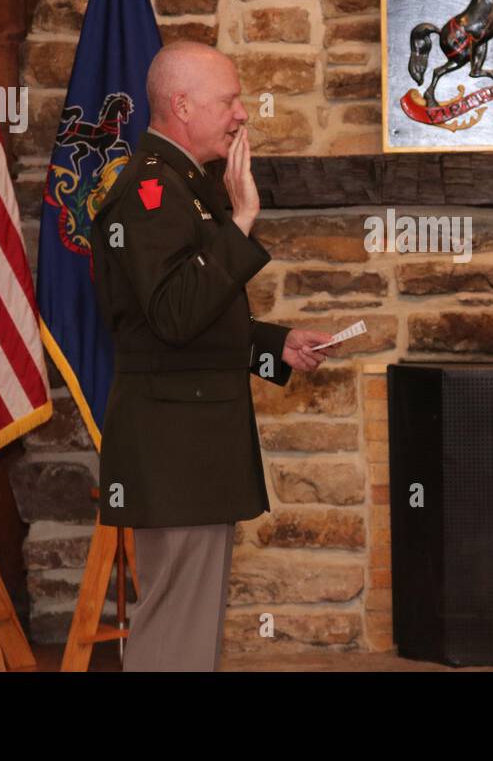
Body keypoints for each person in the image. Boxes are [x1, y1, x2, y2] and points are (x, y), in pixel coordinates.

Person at [90, 41, 333, 671]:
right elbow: (173, 316)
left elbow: (196, 319)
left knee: (187, 626)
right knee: (175, 627)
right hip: (177, 445)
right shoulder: (149, 191)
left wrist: (275, 346)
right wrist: (242, 221)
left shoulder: (181, 185)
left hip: (189, 441)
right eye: (228, 100)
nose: (241, 113)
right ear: (182, 105)